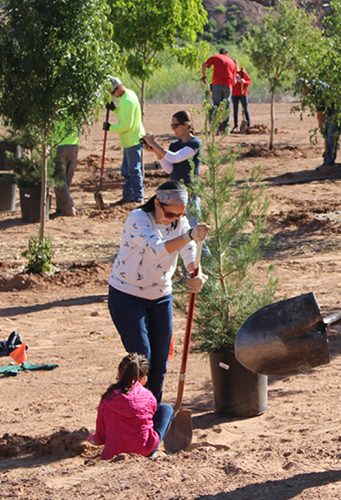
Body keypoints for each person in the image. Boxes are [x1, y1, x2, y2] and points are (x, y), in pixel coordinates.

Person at [107, 181, 210, 403]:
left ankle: (151, 412)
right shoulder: (138, 219)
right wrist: (189, 235)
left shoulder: (180, 222)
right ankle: (129, 407)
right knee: (143, 360)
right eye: (171, 214)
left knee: (161, 363)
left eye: (180, 215)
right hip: (127, 296)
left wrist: (195, 273)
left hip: (161, 297)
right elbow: (157, 249)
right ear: (156, 203)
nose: (175, 219)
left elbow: (189, 251)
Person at [88, 353, 174, 460]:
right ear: (144, 379)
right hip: (144, 450)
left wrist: (91, 439)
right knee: (166, 409)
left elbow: (101, 437)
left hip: (113, 453)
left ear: (119, 373)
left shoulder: (107, 399)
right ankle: (152, 449)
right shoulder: (148, 396)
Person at [143, 111, 203, 224]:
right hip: (175, 195)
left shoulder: (195, 143)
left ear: (186, 125)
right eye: (172, 126)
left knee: (194, 229)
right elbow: (169, 169)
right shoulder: (175, 145)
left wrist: (154, 144)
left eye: (175, 125)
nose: (173, 129)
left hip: (190, 194)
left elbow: (175, 158)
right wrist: (156, 152)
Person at [104, 77, 146, 204]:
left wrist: (110, 127)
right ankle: (128, 196)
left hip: (132, 139)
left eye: (113, 93)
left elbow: (126, 124)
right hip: (129, 140)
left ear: (120, 88)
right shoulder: (127, 95)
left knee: (133, 170)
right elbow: (124, 114)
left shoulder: (127, 100)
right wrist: (114, 109)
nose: (113, 95)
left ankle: (137, 198)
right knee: (126, 169)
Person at [201, 48, 237, 135]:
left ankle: (215, 128)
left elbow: (204, 65)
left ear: (220, 53)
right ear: (227, 54)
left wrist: (204, 76)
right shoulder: (232, 62)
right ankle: (226, 128)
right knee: (226, 107)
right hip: (228, 85)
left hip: (216, 84)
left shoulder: (216, 57)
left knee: (216, 106)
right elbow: (234, 81)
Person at [53, 122, 80, 217]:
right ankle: (61, 207)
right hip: (74, 145)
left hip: (59, 144)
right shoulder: (75, 107)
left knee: (59, 179)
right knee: (67, 179)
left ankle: (68, 208)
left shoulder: (57, 107)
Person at [231, 65, 251, 133]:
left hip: (243, 93)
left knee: (245, 108)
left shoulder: (243, 73)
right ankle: (236, 125)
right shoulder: (232, 73)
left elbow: (249, 81)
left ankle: (248, 125)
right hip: (234, 94)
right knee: (235, 110)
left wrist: (245, 82)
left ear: (238, 65)